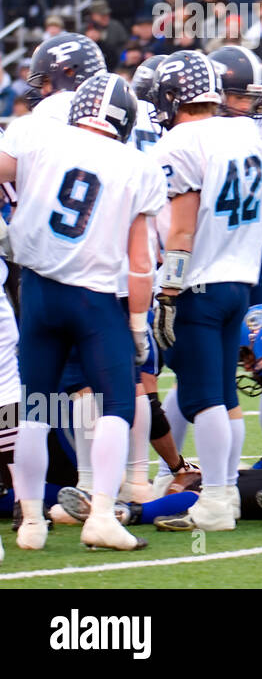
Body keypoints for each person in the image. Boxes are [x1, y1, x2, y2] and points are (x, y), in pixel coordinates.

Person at [0, 74, 165, 552]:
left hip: (37, 290)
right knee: (115, 404)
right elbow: (140, 263)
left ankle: (31, 522)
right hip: (96, 299)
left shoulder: (39, 134)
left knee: (33, 406)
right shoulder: (137, 165)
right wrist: (138, 323)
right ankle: (100, 516)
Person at [147, 51, 262, 533]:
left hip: (198, 281)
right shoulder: (244, 130)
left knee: (204, 399)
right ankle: (225, 498)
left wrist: (167, 290)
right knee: (221, 394)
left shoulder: (179, 142)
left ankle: (217, 502)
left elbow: (181, 230)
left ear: (173, 96)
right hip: (239, 278)